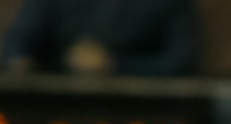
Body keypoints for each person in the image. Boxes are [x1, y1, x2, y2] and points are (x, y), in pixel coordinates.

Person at [2, 0, 200, 78]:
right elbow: (18, 44)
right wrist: (22, 63)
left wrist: (113, 64)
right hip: (61, 106)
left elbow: (181, 62)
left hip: (143, 111)